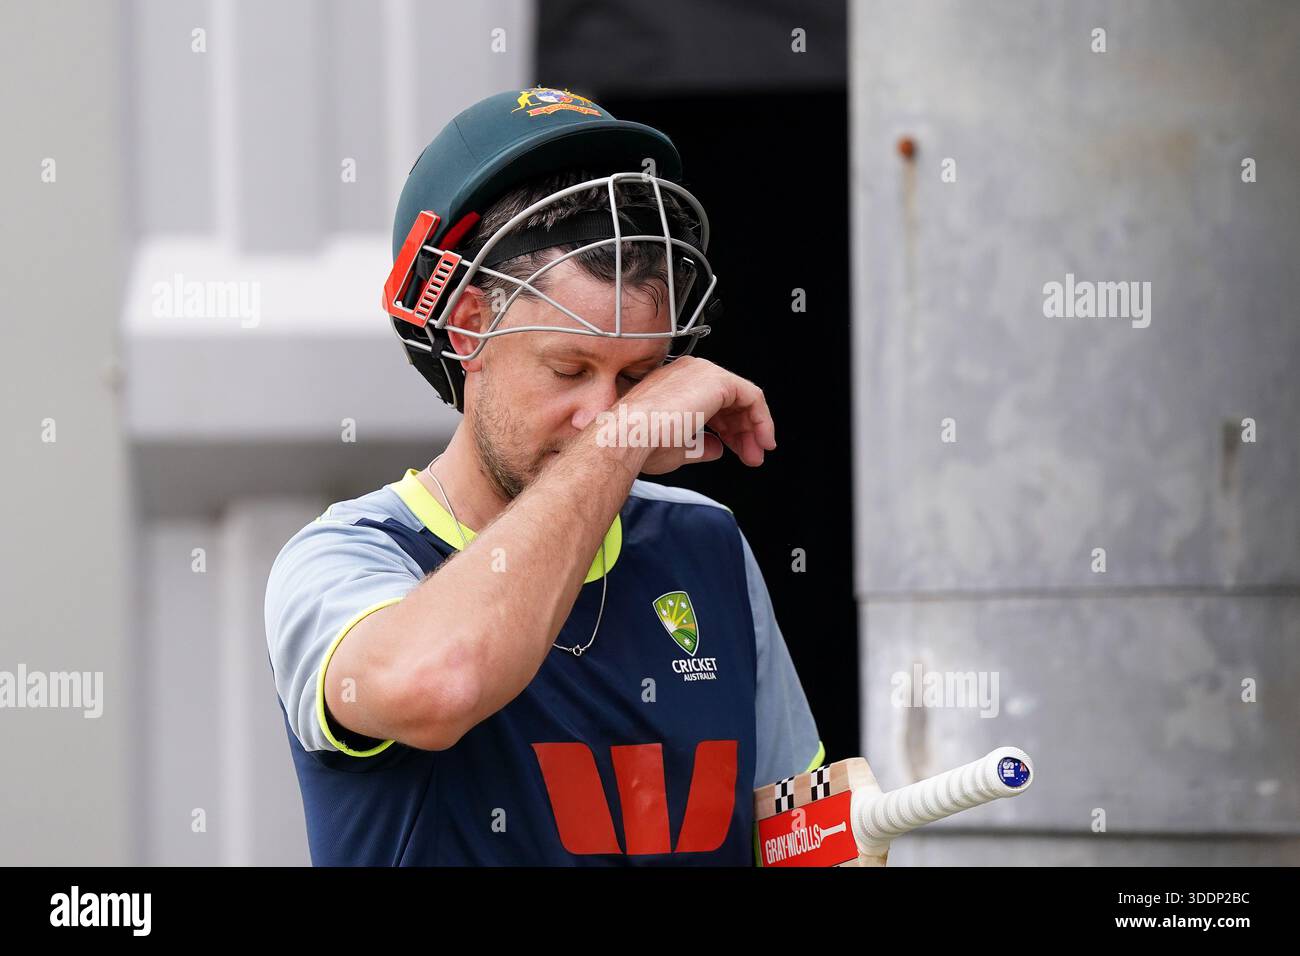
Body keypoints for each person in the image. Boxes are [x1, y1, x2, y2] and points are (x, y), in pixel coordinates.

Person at [264, 87, 821, 865]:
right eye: (570, 367)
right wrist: (625, 437)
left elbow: (788, 830)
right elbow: (442, 682)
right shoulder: (345, 558)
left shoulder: (706, 542)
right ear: (468, 331)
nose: (602, 413)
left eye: (641, 378)